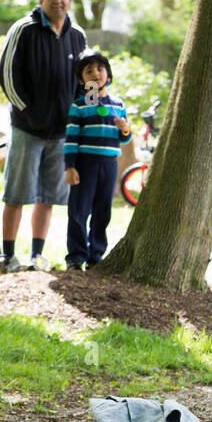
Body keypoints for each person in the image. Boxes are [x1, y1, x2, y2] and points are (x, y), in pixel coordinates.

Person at [0, 0, 88, 271]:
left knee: (47, 197)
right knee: (16, 195)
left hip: (62, 133)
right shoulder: (23, 30)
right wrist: (28, 112)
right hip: (27, 129)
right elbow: (6, 76)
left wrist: (82, 114)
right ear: (41, 0)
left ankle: (37, 257)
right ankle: (8, 258)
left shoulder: (78, 35)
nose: (57, 0)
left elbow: (88, 81)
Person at [64, 51, 132, 269]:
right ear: (82, 80)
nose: (95, 73)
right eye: (89, 71)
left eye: (100, 69)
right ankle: (76, 256)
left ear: (108, 76)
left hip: (109, 164)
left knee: (103, 211)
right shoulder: (80, 105)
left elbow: (125, 137)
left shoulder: (119, 105)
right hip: (85, 163)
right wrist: (70, 166)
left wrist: (125, 129)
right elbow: (71, 138)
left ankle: (96, 256)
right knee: (79, 210)